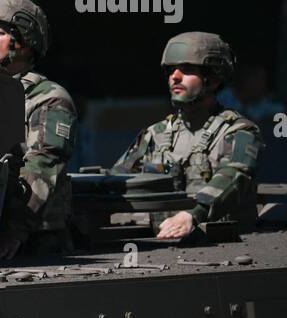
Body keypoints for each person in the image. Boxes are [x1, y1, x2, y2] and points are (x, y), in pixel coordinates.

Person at [112, 32, 263, 238]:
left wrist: (194, 214)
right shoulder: (155, 135)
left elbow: (234, 176)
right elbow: (117, 180)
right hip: (163, 245)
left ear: (213, 78)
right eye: (171, 70)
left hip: (225, 247)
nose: (175, 76)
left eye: (187, 69)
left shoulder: (239, 132)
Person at [0, 0, 78, 259]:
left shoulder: (48, 97)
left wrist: (14, 231)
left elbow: (43, 165)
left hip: (34, 239)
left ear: (27, 42)